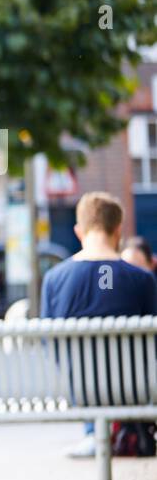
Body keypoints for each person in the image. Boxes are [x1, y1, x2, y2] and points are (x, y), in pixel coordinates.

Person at [42, 194, 157, 458]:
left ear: (78, 231)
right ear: (118, 230)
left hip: (83, 392)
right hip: (133, 391)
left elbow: (50, 344)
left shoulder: (54, 279)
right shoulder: (142, 279)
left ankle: (94, 433)